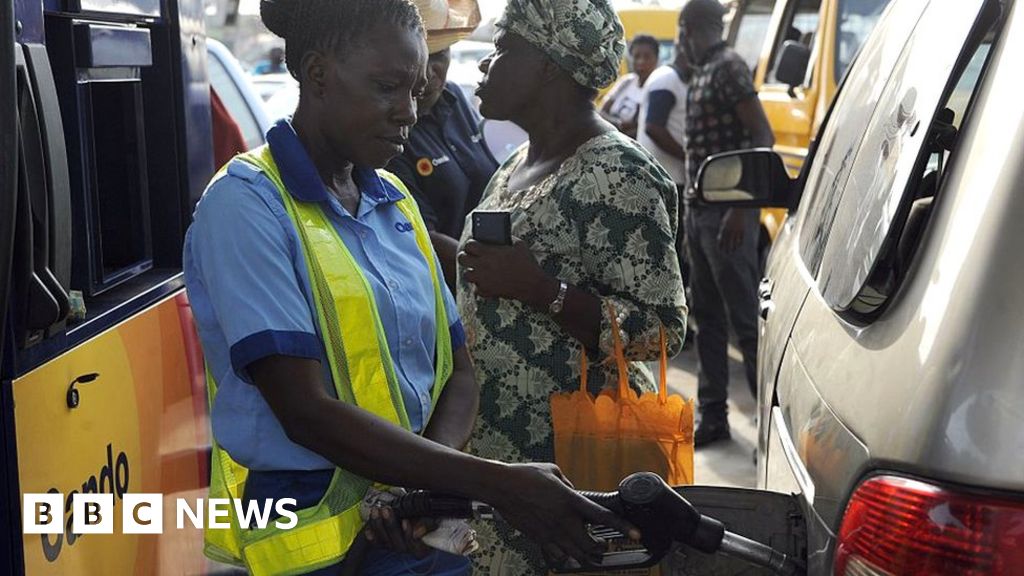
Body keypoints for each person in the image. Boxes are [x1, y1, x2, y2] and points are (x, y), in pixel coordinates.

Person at [183, 1, 638, 575]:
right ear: (318, 73)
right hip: (315, 546)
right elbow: (304, 411)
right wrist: (496, 484)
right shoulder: (247, 203)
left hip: (416, 526)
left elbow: (460, 373)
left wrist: (423, 494)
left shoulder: (394, 201)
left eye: (417, 89)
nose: (408, 112)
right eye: (387, 87)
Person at [456, 0, 688, 572]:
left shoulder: (618, 173)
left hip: (571, 482)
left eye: (504, 47)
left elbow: (663, 328)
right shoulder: (514, 165)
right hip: (499, 471)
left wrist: (543, 290)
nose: (486, 65)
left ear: (550, 66)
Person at [678, 0, 775, 448]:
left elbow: (762, 136)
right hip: (701, 213)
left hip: (727, 216)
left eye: (681, 31)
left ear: (693, 28)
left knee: (745, 323)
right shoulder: (703, 71)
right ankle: (713, 417)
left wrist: (741, 208)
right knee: (709, 319)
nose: (679, 41)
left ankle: (769, 426)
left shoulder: (728, 68)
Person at [387, 0, 497, 289]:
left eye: (441, 55)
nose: (432, 70)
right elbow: (420, 235)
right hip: (442, 290)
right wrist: (499, 272)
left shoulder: (455, 98)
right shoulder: (387, 126)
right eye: (423, 56)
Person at [637, 32, 691, 299]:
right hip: (665, 181)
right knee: (667, 256)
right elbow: (653, 127)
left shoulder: (675, 80)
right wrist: (689, 156)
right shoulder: (667, 79)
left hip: (673, 179)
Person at [598, 34, 660, 138]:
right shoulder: (626, 82)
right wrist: (619, 124)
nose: (641, 62)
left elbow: (643, 128)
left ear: (656, 59)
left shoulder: (656, 88)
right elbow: (601, 112)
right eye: (637, 56)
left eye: (647, 57)